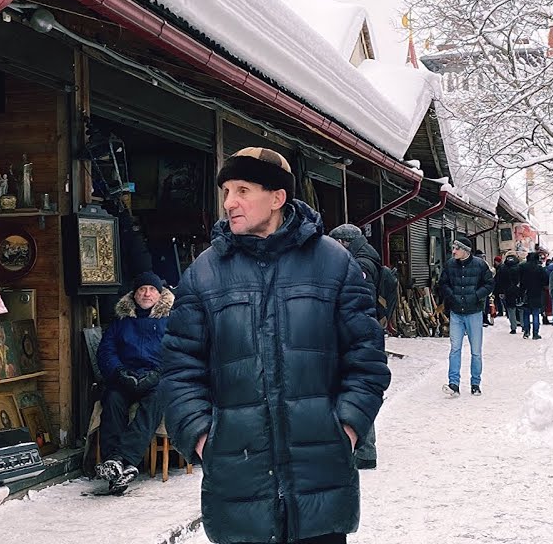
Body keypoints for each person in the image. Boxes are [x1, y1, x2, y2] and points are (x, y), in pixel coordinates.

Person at [162, 147, 389, 544]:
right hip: (238, 481)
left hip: (319, 480)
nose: (229, 202)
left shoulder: (334, 265)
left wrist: (346, 428)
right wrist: (202, 438)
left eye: (243, 190)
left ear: (277, 198)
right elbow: (180, 369)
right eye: (226, 191)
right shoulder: (203, 274)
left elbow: (366, 359)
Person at [96, 271, 173, 493]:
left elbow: (177, 351)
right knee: (112, 400)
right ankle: (115, 463)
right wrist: (119, 372)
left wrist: (158, 374)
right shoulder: (122, 321)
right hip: (126, 376)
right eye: (142, 289)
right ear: (134, 294)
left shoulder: (171, 320)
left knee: (155, 401)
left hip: (156, 379)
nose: (146, 294)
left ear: (160, 295)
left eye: (152, 290)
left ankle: (124, 459)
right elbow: (106, 351)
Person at [328, 223, 385, 471]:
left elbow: (360, 302)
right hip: (361, 333)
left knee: (357, 387)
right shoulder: (365, 258)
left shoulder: (360, 265)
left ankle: (365, 450)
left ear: (344, 243)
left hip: (357, 335)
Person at [437, 239, 493, 397]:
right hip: (456, 313)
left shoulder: (480, 265)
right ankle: (453, 383)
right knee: (455, 349)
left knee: (476, 351)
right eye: (453, 248)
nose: (453, 251)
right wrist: (451, 296)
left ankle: (475, 383)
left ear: (465, 250)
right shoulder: (450, 265)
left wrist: (476, 296)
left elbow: (489, 284)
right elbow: (443, 283)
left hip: (474, 313)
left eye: (456, 248)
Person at [518, 252, 549, 339]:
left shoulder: (522, 267)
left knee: (526, 313)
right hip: (537, 292)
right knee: (536, 313)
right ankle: (535, 333)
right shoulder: (540, 268)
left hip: (525, 293)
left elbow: (519, 279)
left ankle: (526, 331)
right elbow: (545, 280)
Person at [494, 253, 524, 335]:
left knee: (511, 309)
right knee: (521, 308)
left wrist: (500, 291)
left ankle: (513, 327)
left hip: (507, 291)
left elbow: (498, 281)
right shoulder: (520, 267)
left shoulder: (503, 268)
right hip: (519, 291)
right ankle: (523, 325)